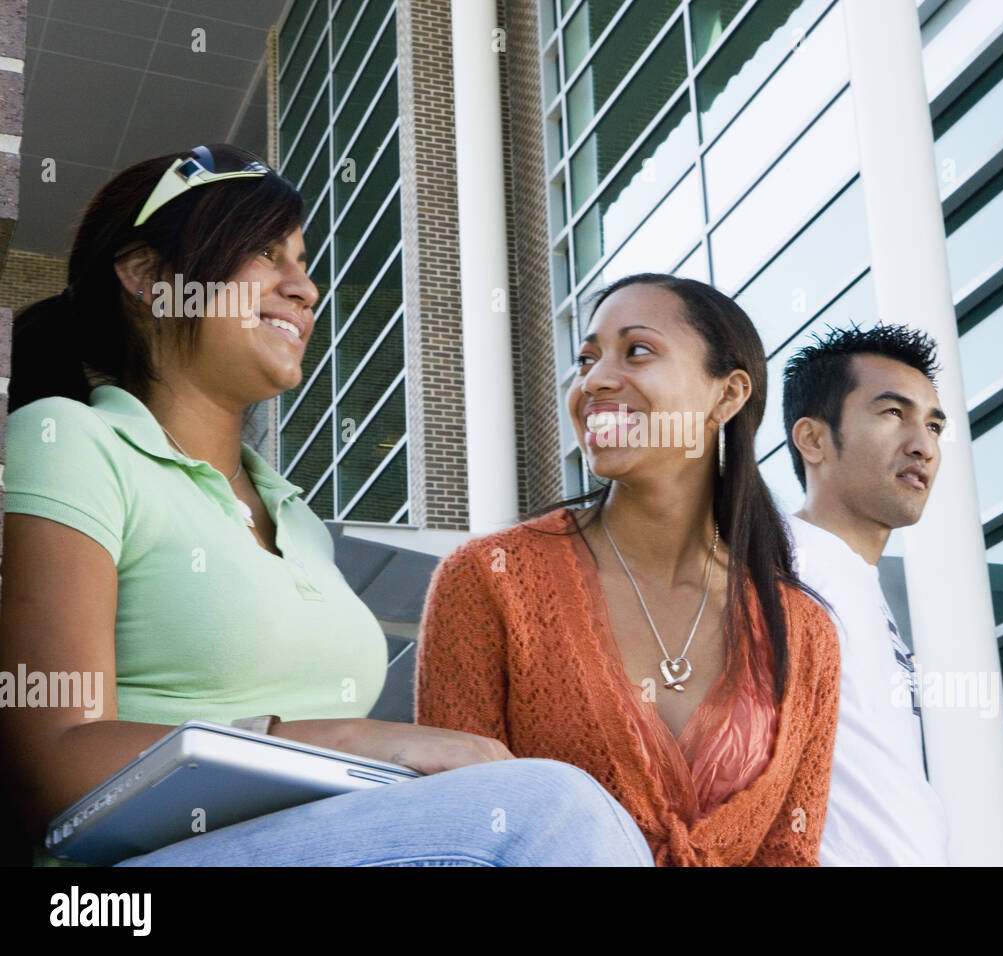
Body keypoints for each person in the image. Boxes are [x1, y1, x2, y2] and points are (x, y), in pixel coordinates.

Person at [0, 144, 652, 867]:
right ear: (150, 277)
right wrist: (351, 736)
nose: (304, 289)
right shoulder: (71, 443)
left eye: (303, 263)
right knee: (549, 814)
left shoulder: (300, 521)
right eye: (263, 254)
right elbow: (48, 766)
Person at [416, 274, 842, 866]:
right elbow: (457, 825)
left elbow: (790, 853)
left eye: (637, 351)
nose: (595, 381)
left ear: (727, 396)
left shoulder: (805, 630)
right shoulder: (491, 577)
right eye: (587, 359)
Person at [780, 323, 950, 865]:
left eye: (933, 424)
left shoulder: (852, 580)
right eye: (892, 413)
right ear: (813, 439)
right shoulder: (784, 567)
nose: (922, 444)